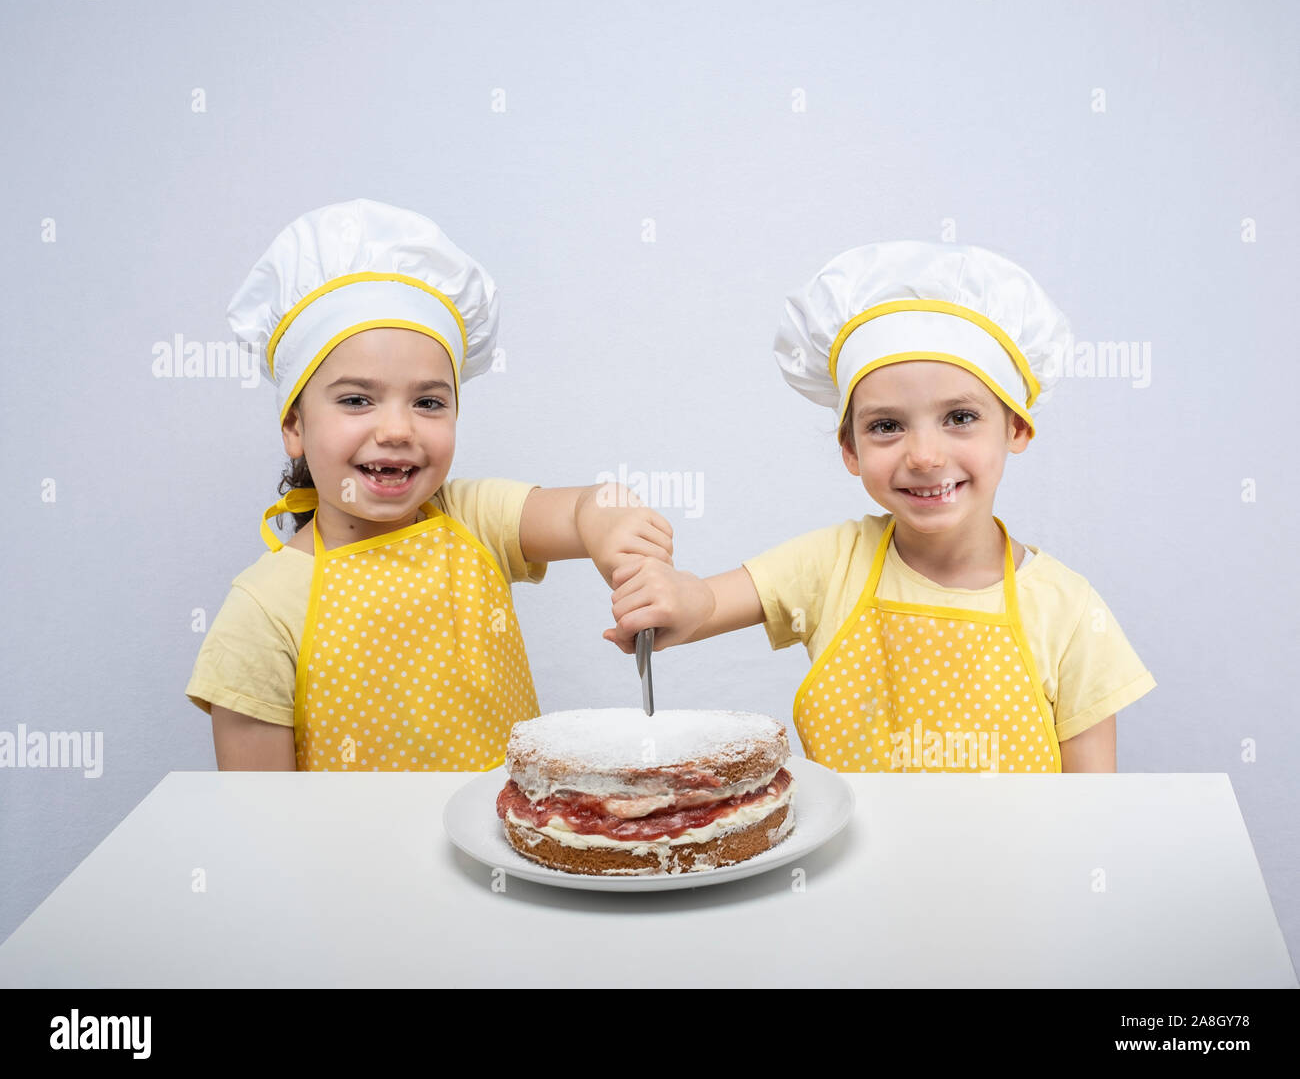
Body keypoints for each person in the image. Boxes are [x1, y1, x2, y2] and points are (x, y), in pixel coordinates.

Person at [605, 241, 1154, 773]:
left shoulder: (1073, 611)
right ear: (851, 449)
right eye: (886, 426)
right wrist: (670, 597)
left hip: (1019, 870)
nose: (924, 456)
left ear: (1016, 427)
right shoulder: (832, 563)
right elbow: (704, 604)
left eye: (960, 417)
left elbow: (1092, 812)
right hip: (856, 868)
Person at [187, 199, 672, 771]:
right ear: (294, 425)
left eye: (428, 401)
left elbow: (582, 509)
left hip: (504, 857)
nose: (396, 429)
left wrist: (613, 524)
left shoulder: (471, 518)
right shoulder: (261, 610)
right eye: (356, 399)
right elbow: (258, 820)